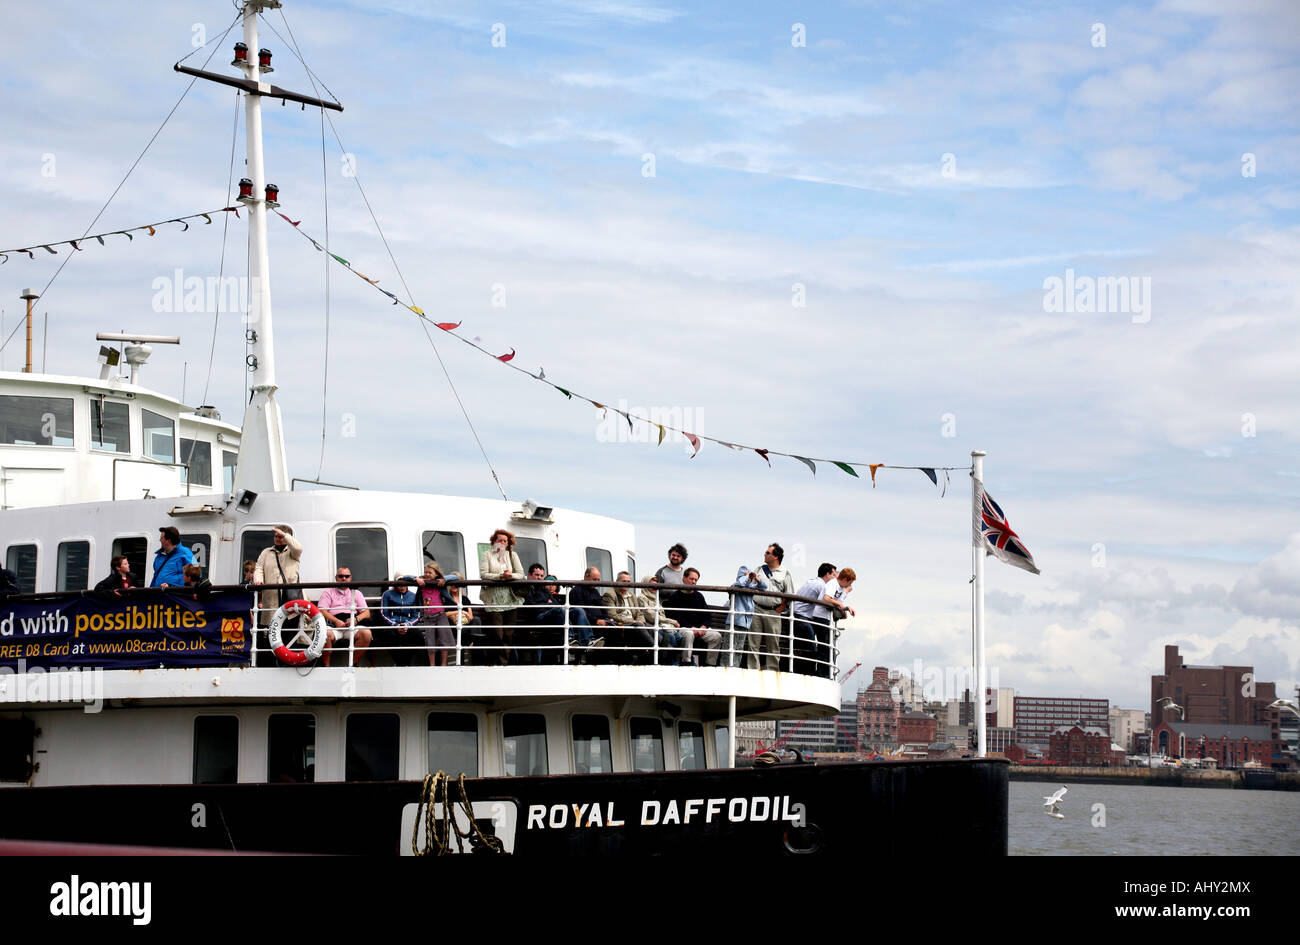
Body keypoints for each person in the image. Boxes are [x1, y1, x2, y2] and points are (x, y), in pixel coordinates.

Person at [479, 529, 525, 665]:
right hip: (493, 600)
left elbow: (521, 574)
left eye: (505, 541)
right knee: (496, 634)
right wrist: (500, 576)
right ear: (494, 542)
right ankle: (493, 662)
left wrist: (510, 576)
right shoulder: (487, 555)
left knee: (508, 634)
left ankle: (503, 663)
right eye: (500, 540)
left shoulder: (512, 555)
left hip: (511, 600)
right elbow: (484, 574)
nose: (502, 543)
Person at [662, 569, 723, 665]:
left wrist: (704, 626)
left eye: (696, 580)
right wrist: (691, 628)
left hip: (699, 629)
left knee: (716, 636)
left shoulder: (699, 596)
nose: (694, 582)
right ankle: (686, 663)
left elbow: (707, 615)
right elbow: (673, 616)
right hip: (683, 628)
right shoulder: (675, 596)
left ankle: (710, 665)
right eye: (691, 579)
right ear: (684, 578)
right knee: (689, 634)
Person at [749, 543, 795, 671]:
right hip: (756, 608)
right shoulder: (759, 569)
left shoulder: (785, 573)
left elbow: (789, 593)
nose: (764, 554)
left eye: (768, 553)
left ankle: (772, 670)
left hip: (773, 611)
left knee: (773, 643)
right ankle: (753, 669)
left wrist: (781, 607)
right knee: (753, 642)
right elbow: (749, 586)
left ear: (776, 557)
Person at [318, 566, 372, 667]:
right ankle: (325, 666)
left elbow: (366, 613)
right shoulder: (328, 592)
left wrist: (355, 620)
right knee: (324, 634)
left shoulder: (356, 593)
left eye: (346, 576)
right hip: (334, 626)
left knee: (366, 634)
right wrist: (336, 621)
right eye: (341, 576)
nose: (343, 578)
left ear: (350, 578)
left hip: (351, 625)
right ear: (336, 577)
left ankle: (352, 665)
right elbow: (321, 611)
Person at [252, 525, 303, 624]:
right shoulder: (266, 552)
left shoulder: (293, 552)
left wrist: (284, 535)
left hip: (290, 595)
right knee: (272, 625)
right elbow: (259, 568)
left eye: (280, 537)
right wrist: (258, 580)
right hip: (272, 596)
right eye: (276, 536)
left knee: (290, 625)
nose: (277, 539)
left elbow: (298, 548)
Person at [793, 564, 837, 675]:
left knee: (809, 644)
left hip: (797, 614)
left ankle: (808, 670)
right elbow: (826, 602)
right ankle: (812, 673)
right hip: (801, 617)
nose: (836, 577)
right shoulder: (821, 586)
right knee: (812, 646)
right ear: (827, 574)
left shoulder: (812, 581)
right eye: (834, 574)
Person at [600, 572, 654, 663]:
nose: (626, 583)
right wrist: (633, 621)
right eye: (624, 581)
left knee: (653, 629)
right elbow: (612, 615)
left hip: (635, 624)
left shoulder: (631, 595)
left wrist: (641, 621)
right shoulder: (610, 594)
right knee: (641, 628)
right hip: (622, 625)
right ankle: (655, 649)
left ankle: (661, 651)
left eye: (628, 581)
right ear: (617, 581)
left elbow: (639, 612)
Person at [375, 574, 423, 666]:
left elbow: (416, 615)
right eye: (399, 583)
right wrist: (395, 625)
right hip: (392, 624)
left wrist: (408, 625)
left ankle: (405, 662)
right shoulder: (387, 594)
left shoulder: (412, 596)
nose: (401, 586)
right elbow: (383, 613)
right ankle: (400, 663)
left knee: (419, 637)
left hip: (407, 624)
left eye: (404, 583)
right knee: (387, 637)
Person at [414, 561, 455, 666]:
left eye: (430, 572)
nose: (427, 574)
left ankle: (444, 663)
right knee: (430, 642)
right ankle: (432, 664)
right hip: (428, 617)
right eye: (425, 572)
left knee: (444, 639)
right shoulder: (422, 584)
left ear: (436, 574)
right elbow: (406, 577)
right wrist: (416, 579)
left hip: (440, 615)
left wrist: (444, 579)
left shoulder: (439, 583)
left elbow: (455, 577)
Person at [728, 564, 765, 668]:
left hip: (745, 621)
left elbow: (764, 587)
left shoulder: (751, 588)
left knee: (739, 648)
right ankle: (726, 666)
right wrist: (746, 576)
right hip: (734, 621)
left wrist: (757, 579)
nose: (750, 578)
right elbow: (739, 583)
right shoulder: (735, 585)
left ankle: (735, 667)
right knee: (729, 647)